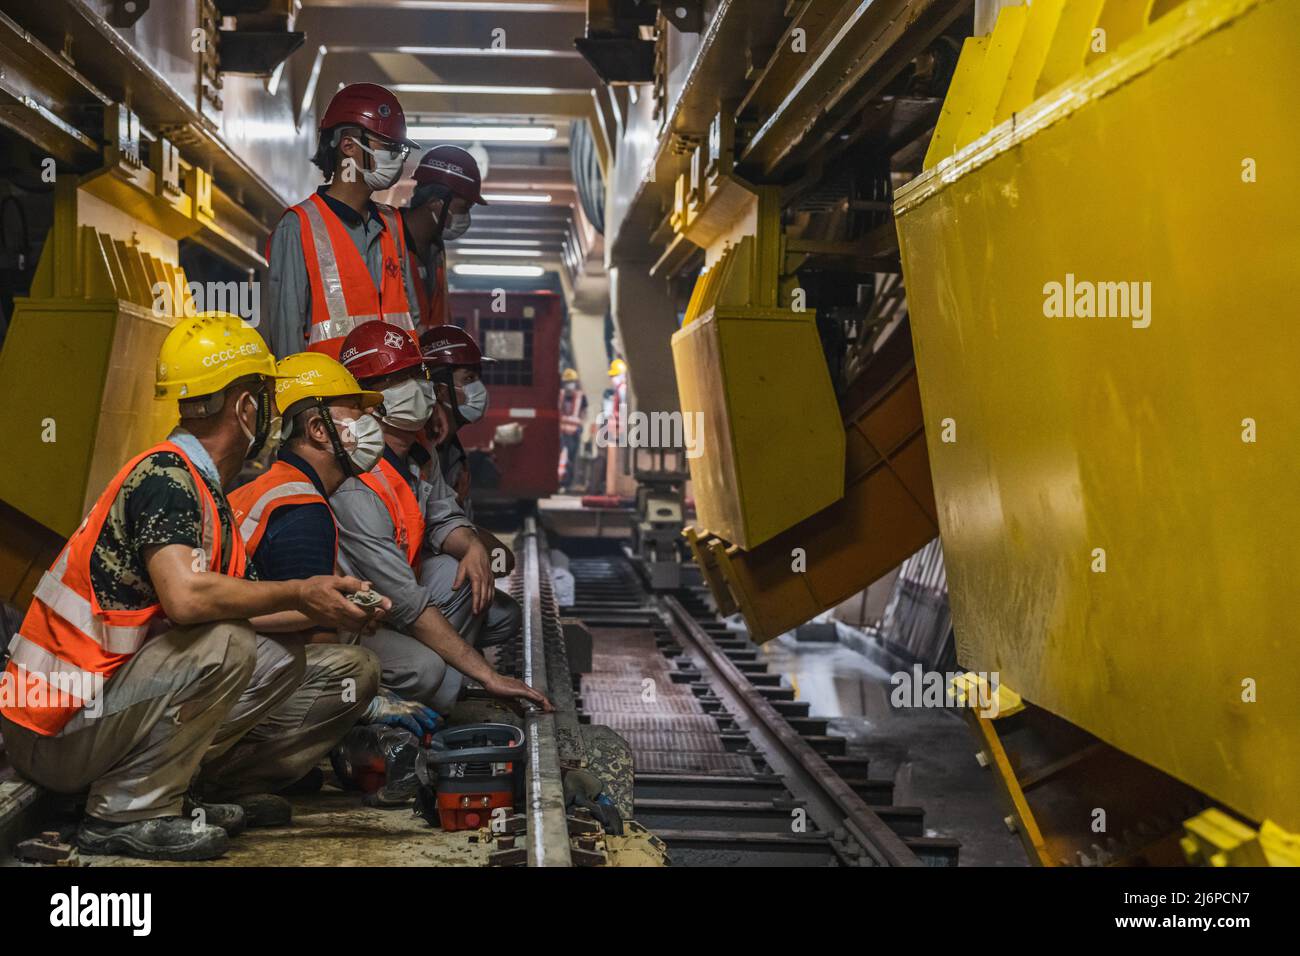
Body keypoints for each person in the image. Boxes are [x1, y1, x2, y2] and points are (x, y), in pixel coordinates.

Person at [0, 313, 388, 861]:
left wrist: (328, 609)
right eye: (265, 399)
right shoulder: (165, 476)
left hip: (88, 716)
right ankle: (126, 812)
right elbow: (186, 599)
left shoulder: (205, 490)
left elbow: (256, 614)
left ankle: (185, 791)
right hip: (51, 730)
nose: (272, 415)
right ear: (245, 406)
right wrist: (299, 591)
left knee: (289, 657)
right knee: (226, 643)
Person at [331, 321, 552, 714]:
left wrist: (471, 547)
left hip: (398, 593)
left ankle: (446, 689)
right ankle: (411, 709)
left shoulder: (417, 451)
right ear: (368, 399)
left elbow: (443, 515)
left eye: (418, 374)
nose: (417, 387)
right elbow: (407, 603)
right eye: (399, 379)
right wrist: (488, 674)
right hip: (358, 615)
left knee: (482, 594)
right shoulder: (355, 478)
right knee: (426, 667)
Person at [228, 353, 440, 741]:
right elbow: (317, 641)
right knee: (355, 668)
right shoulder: (303, 510)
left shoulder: (279, 485)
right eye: (356, 411)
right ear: (318, 430)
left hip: (233, 653)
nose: (369, 422)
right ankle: (258, 761)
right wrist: (364, 704)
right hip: (237, 671)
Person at [265, 82, 422, 359]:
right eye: (388, 147)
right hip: (334, 399)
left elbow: (410, 322)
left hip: (397, 397)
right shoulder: (299, 226)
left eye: (399, 149)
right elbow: (287, 342)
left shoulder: (393, 225)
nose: (397, 158)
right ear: (348, 146)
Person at [401, 146, 489, 330]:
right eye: (464, 208)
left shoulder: (436, 251)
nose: (465, 218)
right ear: (435, 203)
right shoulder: (386, 241)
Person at [559, 367, 587, 491]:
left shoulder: (581, 397)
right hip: (559, 432)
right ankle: (560, 482)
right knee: (560, 458)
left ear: (576, 383)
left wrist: (582, 427)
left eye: (571, 382)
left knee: (571, 458)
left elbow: (584, 414)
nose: (569, 385)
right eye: (567, 382)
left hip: (574, 433)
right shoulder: (559, 395)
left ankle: (567, 483)